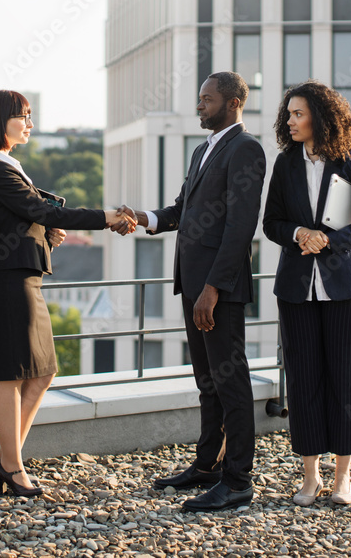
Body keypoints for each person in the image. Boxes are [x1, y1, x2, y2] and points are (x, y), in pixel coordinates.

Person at [117, 71, 266, 512]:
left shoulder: (247, 149)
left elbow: (241, 227)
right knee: (207, 383)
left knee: (231, 384)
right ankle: (207, 466)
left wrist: (213, 289)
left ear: (234, 102)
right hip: (193, 284)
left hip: (217, 291)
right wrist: (142, 217)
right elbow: (182, 210)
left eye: (207, 99)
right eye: (200, 99)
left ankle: (238, 480)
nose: (199, 106)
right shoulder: (203, 149)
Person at [0, 90, 134, 497]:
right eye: (22, 117)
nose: (29, 124)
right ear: (0, 122)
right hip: (11, 279)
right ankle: (11, 465)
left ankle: (4, 459)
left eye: (30, 116)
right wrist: (106, 217)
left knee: (43, 373)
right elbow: (44, 211)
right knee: (12, 374)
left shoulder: (10, 166)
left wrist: (45, 236)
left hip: (26, 276)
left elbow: (30, 220)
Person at [262, 79, 351, 506]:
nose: (290, 121)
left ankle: (343, 479)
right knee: (302, 380)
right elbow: (271, 223)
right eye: (289, 114)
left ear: (321, 117)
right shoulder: (285, 164)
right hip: (296, 289)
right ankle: (310, 478)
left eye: (299, 114)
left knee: (345, 380)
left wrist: (328, 240)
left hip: (346, 289)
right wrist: (299, 233)